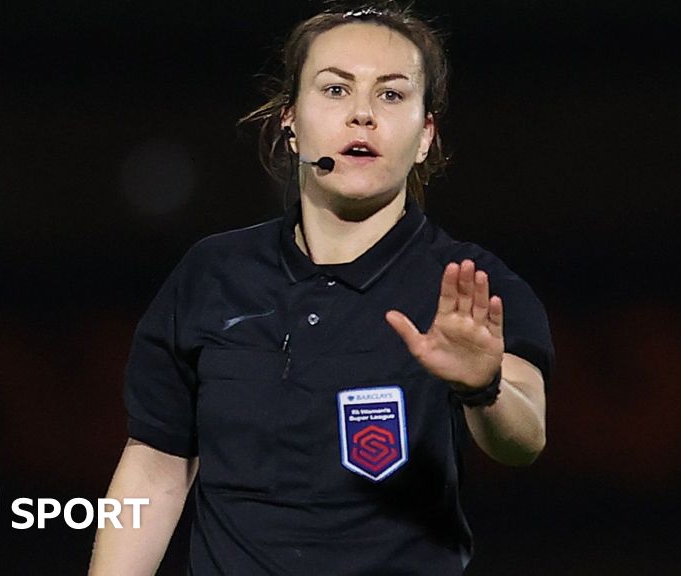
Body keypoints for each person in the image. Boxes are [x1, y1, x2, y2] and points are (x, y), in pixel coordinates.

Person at [89, 3, 554, 574]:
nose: (362, 115)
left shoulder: (470, 285)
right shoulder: (212, 274)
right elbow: (156, 465)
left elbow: (524, 438)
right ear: (290, 121)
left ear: (426, 134)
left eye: (391, 95)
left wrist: (484, 388)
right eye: (335, 91)